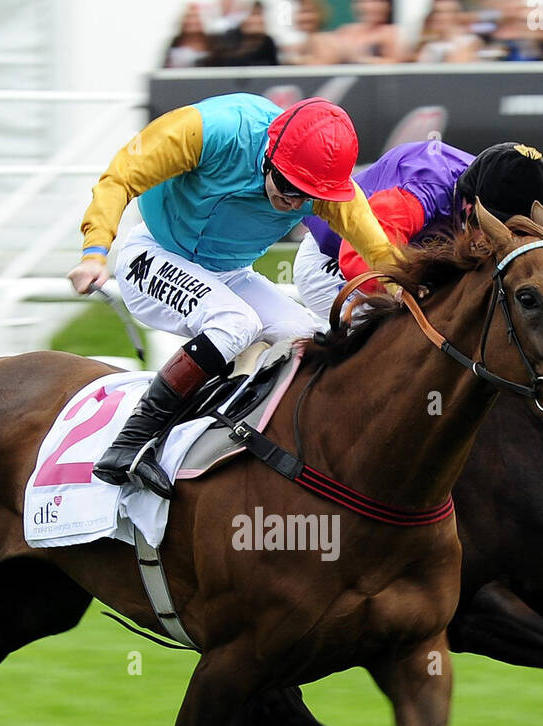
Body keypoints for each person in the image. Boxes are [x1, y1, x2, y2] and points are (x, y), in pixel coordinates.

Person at [68, 95, 395, 498]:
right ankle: (129, 444)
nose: (294, 203)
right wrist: (95, 251)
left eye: (306, 195)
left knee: (308, 337)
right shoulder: (214, 129)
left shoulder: (328, 190)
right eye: (289, 186)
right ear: (270, 152)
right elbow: (121, 176)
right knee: (236, 323)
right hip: (153, 254)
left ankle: (236, 426)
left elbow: (383, 255)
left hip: (230, 273)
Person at [292, 141, 543, 322]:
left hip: (408, 255)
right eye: (492, 226)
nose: (491, 238)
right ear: (470, 203)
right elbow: (359, 257)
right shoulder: (422, 192)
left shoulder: (489, 183)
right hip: (334, 259)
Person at [330, 0, 406, 63]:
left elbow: (398, 66)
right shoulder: (344, 31)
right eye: (363, 1)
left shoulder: (394, 33)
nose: (370, 7)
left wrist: (360, 59)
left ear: (389, 6)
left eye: (378, 2)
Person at [211, 1, 280, 65]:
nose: (256, 20)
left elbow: (273, 68)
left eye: (259, 14)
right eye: (252, 14)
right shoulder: (227, 39)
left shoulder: (267, 42)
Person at [416, 0, 482, 63]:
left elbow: (458, 67)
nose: (437, 17)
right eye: (435, 12)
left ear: (457, 15)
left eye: (443, 12)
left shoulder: (468, 41)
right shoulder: (427, 42)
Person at [163, 3, 212, 68]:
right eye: (189, 16)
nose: (192, 21)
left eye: (196, 16)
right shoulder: (174, 42)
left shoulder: (212, 42)